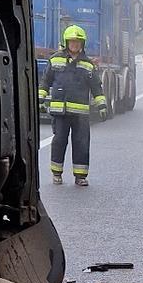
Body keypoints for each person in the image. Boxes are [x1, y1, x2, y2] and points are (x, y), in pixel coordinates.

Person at [45, 24, 107, 187]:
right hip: (60, 112)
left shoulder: (88, 64)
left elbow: (96, 87)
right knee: (59, 141)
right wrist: (39, 99)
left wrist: (102, 106)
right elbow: (45, 82)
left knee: (81, 143)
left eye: (78, 42)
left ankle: (80, 176)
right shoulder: (55, 59)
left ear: (82, 44)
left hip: (81, 115)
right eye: (72, 41)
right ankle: (56, 173)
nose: (75, 45)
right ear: (66, 42)